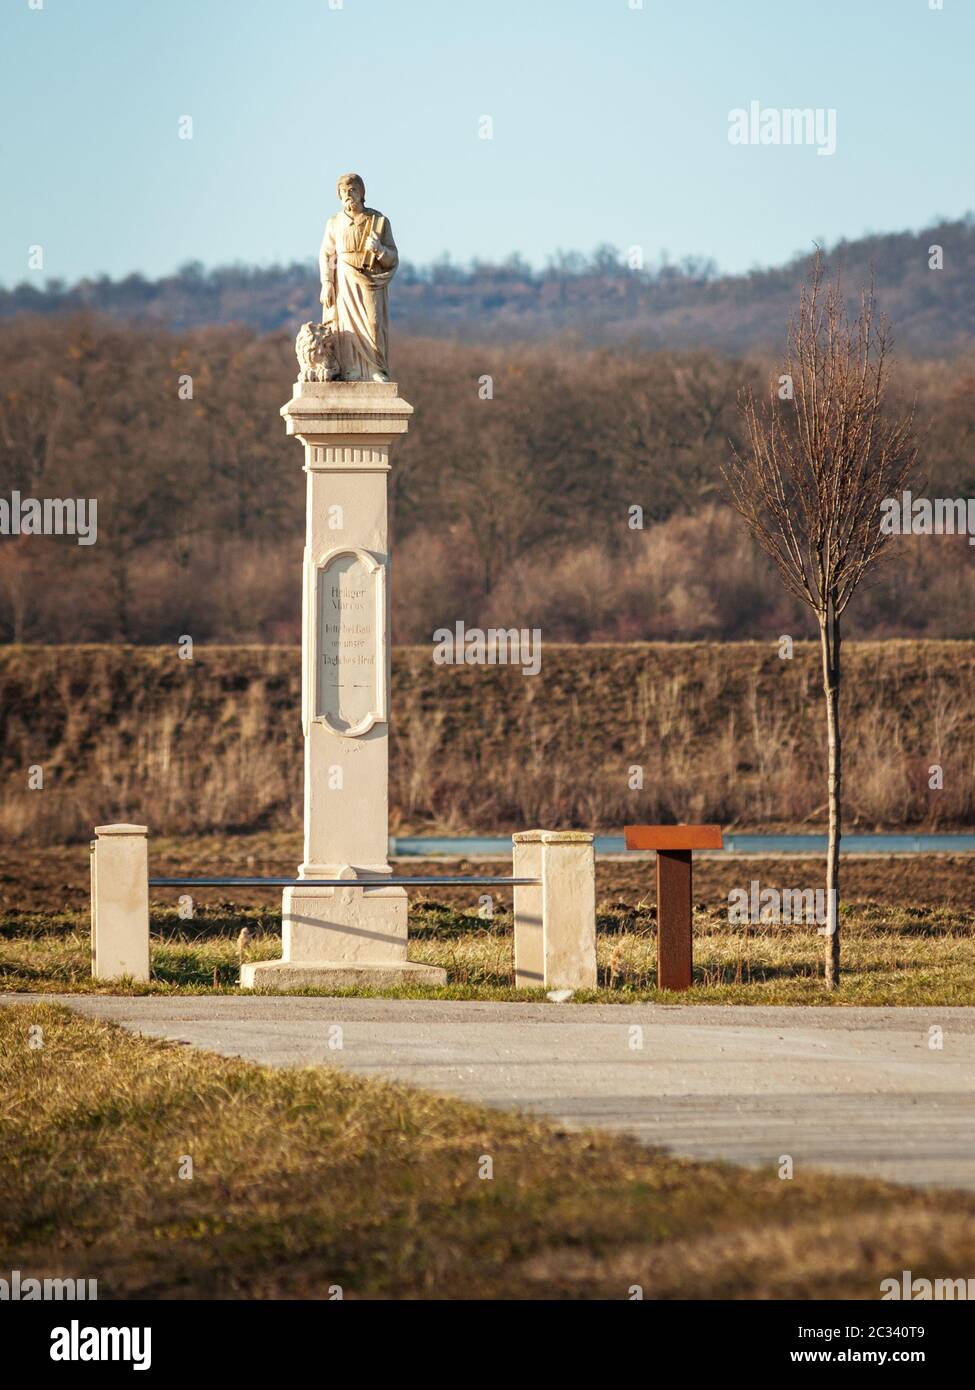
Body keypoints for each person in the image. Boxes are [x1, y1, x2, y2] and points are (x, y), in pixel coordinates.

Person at [319, 173, 399, 382]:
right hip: (344, 279)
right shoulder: (334, 223)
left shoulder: (378, 221)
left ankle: (375, 369)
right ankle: (350, 369)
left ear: (362, 193)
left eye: (352, 190)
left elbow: (392, 257)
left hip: (370, 279)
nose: (348, 195)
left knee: (373, 322)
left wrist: (379, 249)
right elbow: (328, 254)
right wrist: (327, 282)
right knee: (346, 325)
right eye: (344, 192)